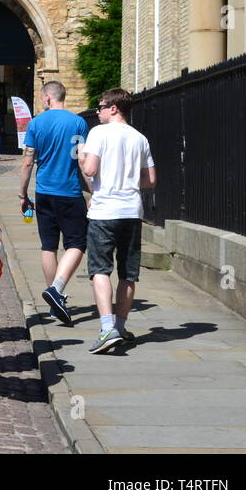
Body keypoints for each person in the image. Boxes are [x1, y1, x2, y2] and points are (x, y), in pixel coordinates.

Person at [80, 88, 155, 354]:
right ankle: (121, 327)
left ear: (114, 108)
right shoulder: (140, 138)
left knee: (100, 269)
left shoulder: (98, 133)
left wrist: (82, 159)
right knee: (128, 273)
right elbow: (151, 179)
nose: (97, 111)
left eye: (100, 107)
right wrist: (129, 183)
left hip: (104, 211)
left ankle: (106, 328)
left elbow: (89, 169)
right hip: (132, 211)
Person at [20, 81, 91, 327]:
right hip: (70, 191)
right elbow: (82, 160)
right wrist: (92, 192)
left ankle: (54, 301)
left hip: (44, 192)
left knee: (48, 246)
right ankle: (57, 292)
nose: (42, 102)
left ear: (48, 98)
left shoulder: (36, 123)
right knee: (77, 243)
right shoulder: (78, 123)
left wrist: (22, 194)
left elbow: (28, 161)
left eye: (42, 98)